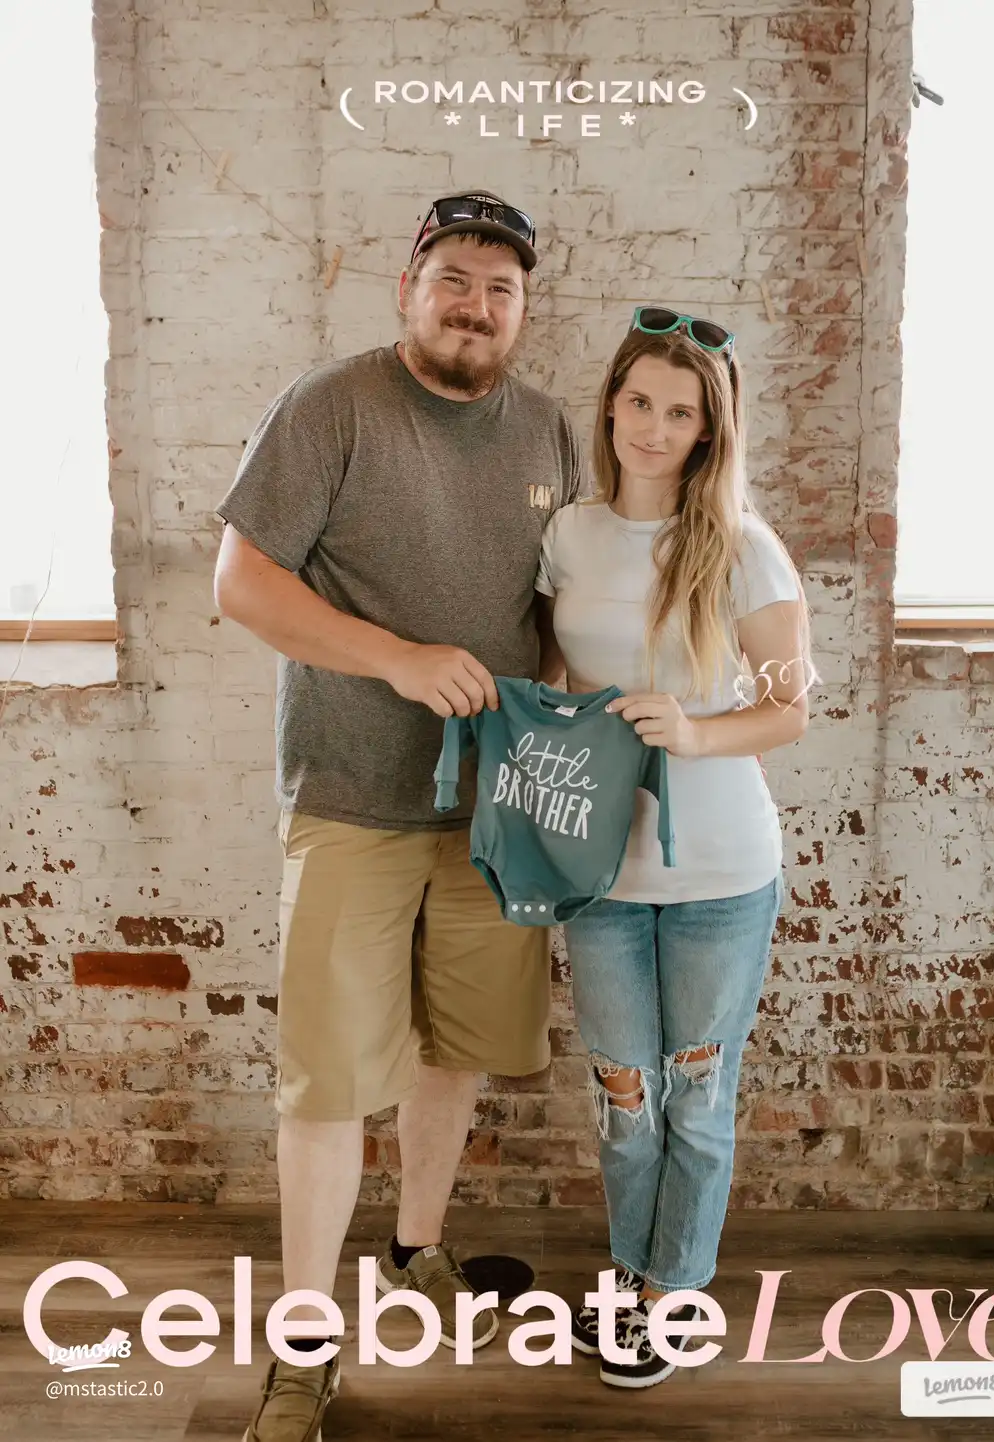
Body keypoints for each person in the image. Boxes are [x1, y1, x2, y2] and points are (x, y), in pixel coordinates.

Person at [212, 191, 582, 1442]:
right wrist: (398, 659)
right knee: (327, 1079)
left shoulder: (548, 427)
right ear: (409, 287)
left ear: (523, 310)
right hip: (352, 796)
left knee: (453, 1043)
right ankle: (303, 1349)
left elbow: (556, 606)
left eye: (501, 289)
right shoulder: (333, 405)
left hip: (494, 811)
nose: (476, 306)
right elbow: (243, 583)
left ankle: (419, 1249)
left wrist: (562, 718)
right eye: (455, 280)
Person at [534, 306, 817, 1389]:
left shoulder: (746, 549)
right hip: (601, 870)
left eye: (681, 413)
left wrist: (693, 732)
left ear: (709, 430)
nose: (654, 428)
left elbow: (790, 710)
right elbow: (552, 682)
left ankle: (672, 1291)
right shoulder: (569, 536)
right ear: (611, 405)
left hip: (722, 873)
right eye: (640, 402)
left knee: (696, 1095)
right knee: (623, 1094)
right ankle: (630, 1272)